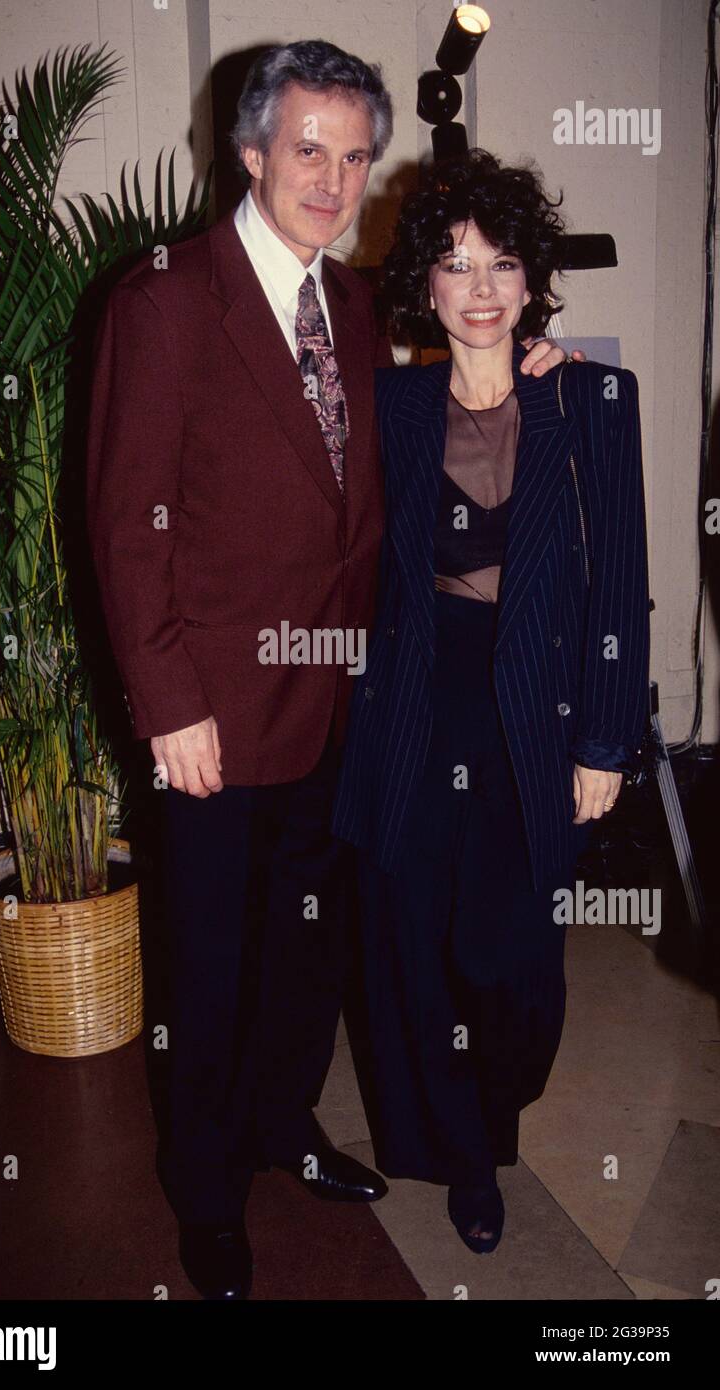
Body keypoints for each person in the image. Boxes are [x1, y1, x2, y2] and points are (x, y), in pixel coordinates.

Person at [86, 43, 575, 1300]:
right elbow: (124, 520)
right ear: (251, 152)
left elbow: (433, 414)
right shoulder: (164, 301)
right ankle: (206, 1192)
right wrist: (168, 703)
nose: (333, 179)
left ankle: (281, 1124)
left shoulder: (351, 303)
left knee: (305, 951)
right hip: (212, 715)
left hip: (340, 703)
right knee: (207, 966)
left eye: (354, 157)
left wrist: (535, 365)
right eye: (308, 149)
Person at [332, 149, 651, 1254]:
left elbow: (619, 578)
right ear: (424, 283)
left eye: (501, 263)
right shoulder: (392, 403)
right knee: (419, 941)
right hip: (418, 707)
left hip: (536, 710)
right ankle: (468, 1159)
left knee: (512, 959)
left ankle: (494, 1103)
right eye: (455, 264)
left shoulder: (591, 396)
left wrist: (604, 740)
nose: (479, 287)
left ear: (530, 280)